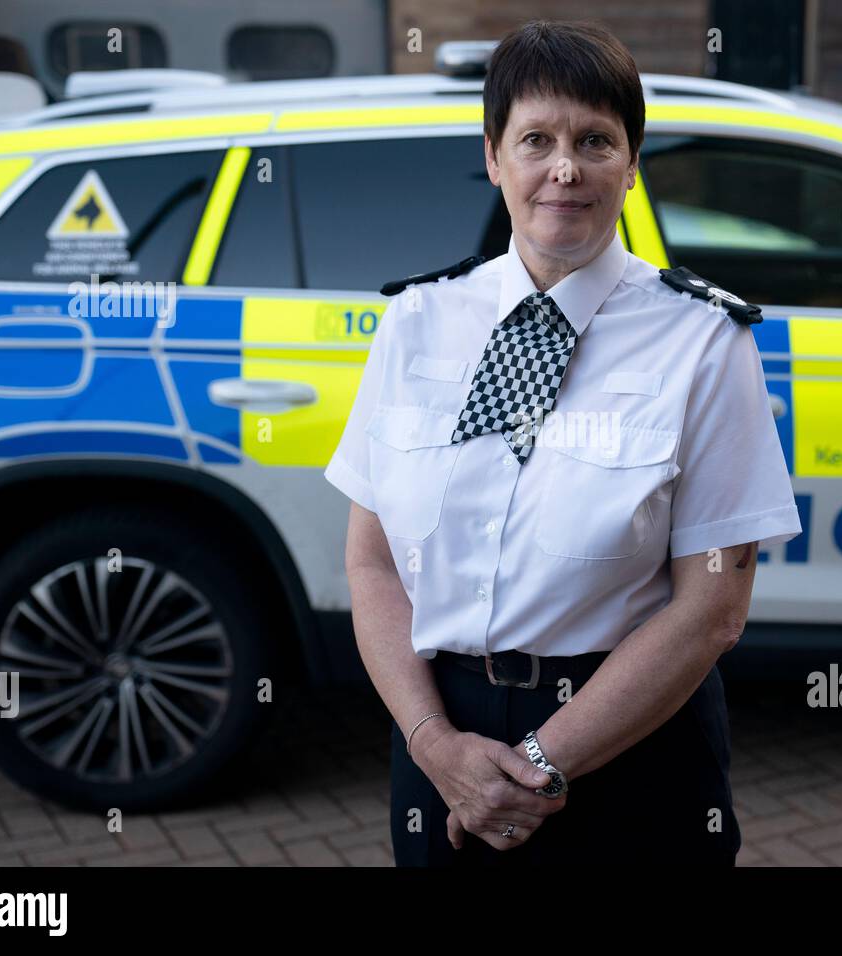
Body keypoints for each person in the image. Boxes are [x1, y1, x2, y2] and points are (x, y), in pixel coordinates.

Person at [324, 18, 802, 866]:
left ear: (631, 161)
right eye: (535, 139)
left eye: (596, 141)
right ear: (493, 156)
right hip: (441, 747)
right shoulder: (416, 322)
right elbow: (371, 563)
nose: (565, 169)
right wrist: (437, 746)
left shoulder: (703, 339)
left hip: (632, 751)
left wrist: (536, 769)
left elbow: (713, 610)